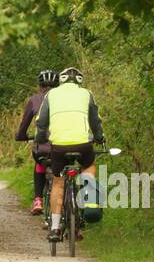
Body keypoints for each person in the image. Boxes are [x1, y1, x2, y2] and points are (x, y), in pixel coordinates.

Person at [35, 66, 103, 242]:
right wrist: (99, 137)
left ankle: (55, 229)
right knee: (88, 166)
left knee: (58, 183)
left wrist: (41, 139)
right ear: (79, 81)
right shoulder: (87, 94)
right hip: (83, 145)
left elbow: (41, 122)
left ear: (62, 80)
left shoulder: (51, 95)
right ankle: (90, 202)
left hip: (59, 146)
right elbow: (95, 120)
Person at [15, 69, 59, 214]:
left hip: (43, 148)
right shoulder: (63, 99)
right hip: (64, 144)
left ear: (40, 86)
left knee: (39, 161)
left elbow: (24, 123)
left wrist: (21, 136)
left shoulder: (35, 100)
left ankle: (38, 199)